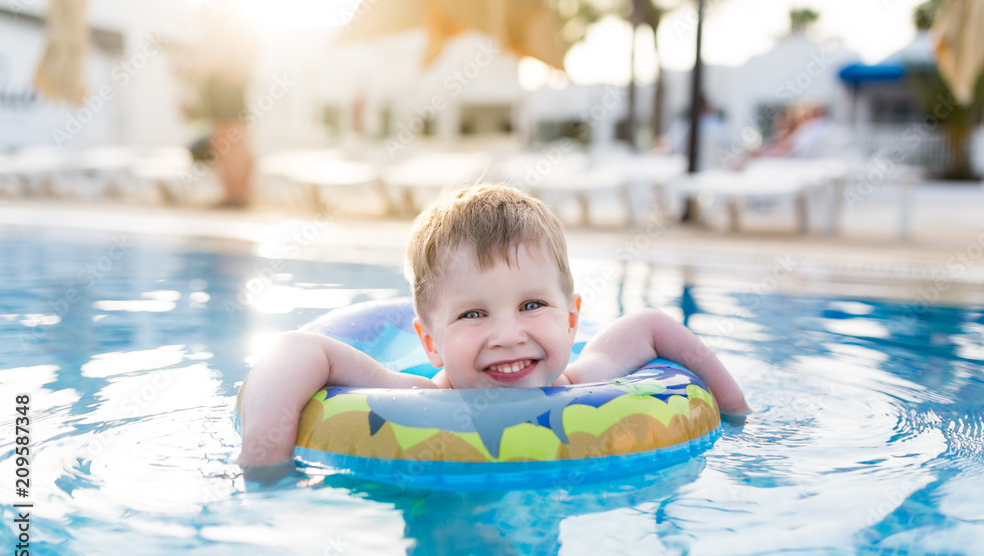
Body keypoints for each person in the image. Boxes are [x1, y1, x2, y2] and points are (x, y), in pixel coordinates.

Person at [237, 185, 750, 466]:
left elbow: (653, 325)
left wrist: (739, 416)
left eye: (531, 305)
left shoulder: (583, 380)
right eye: (474, 314)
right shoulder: (413, 399)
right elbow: (300, 349)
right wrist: (262, 459)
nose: (508, 335)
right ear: (430, 343)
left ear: (572, 320)